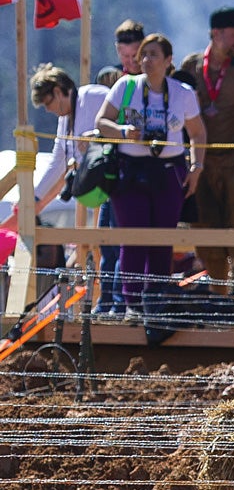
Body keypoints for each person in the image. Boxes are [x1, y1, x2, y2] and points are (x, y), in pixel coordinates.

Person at [95, 32, 206, 339]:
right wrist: (122, 131)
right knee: (133, 238)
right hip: (130, 171)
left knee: (161, 240)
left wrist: (196, 168)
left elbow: (198, 133)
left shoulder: (182, 92)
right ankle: (131, 304)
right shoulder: (125, 85)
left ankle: (155, 301)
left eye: (153, 54)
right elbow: (101, 122)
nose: (146, 60)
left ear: (169, 60)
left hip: (169, 171)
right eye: (143, 54)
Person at [178, 7, 234, 289]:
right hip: (203, 165)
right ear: (215, 34)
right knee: (206, 235)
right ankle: (219, 296)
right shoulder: (191, 66)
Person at [28, 64, 109, 280]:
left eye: (48, 103)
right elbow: (58, 161)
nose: (48, 110)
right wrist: (35, 197)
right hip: (96, 192)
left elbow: (124, 117)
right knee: (99, 246)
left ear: (58, 91)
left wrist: (97, 136)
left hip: (114, 185)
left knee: (106, 246)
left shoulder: (94, 95)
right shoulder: (65, 120)